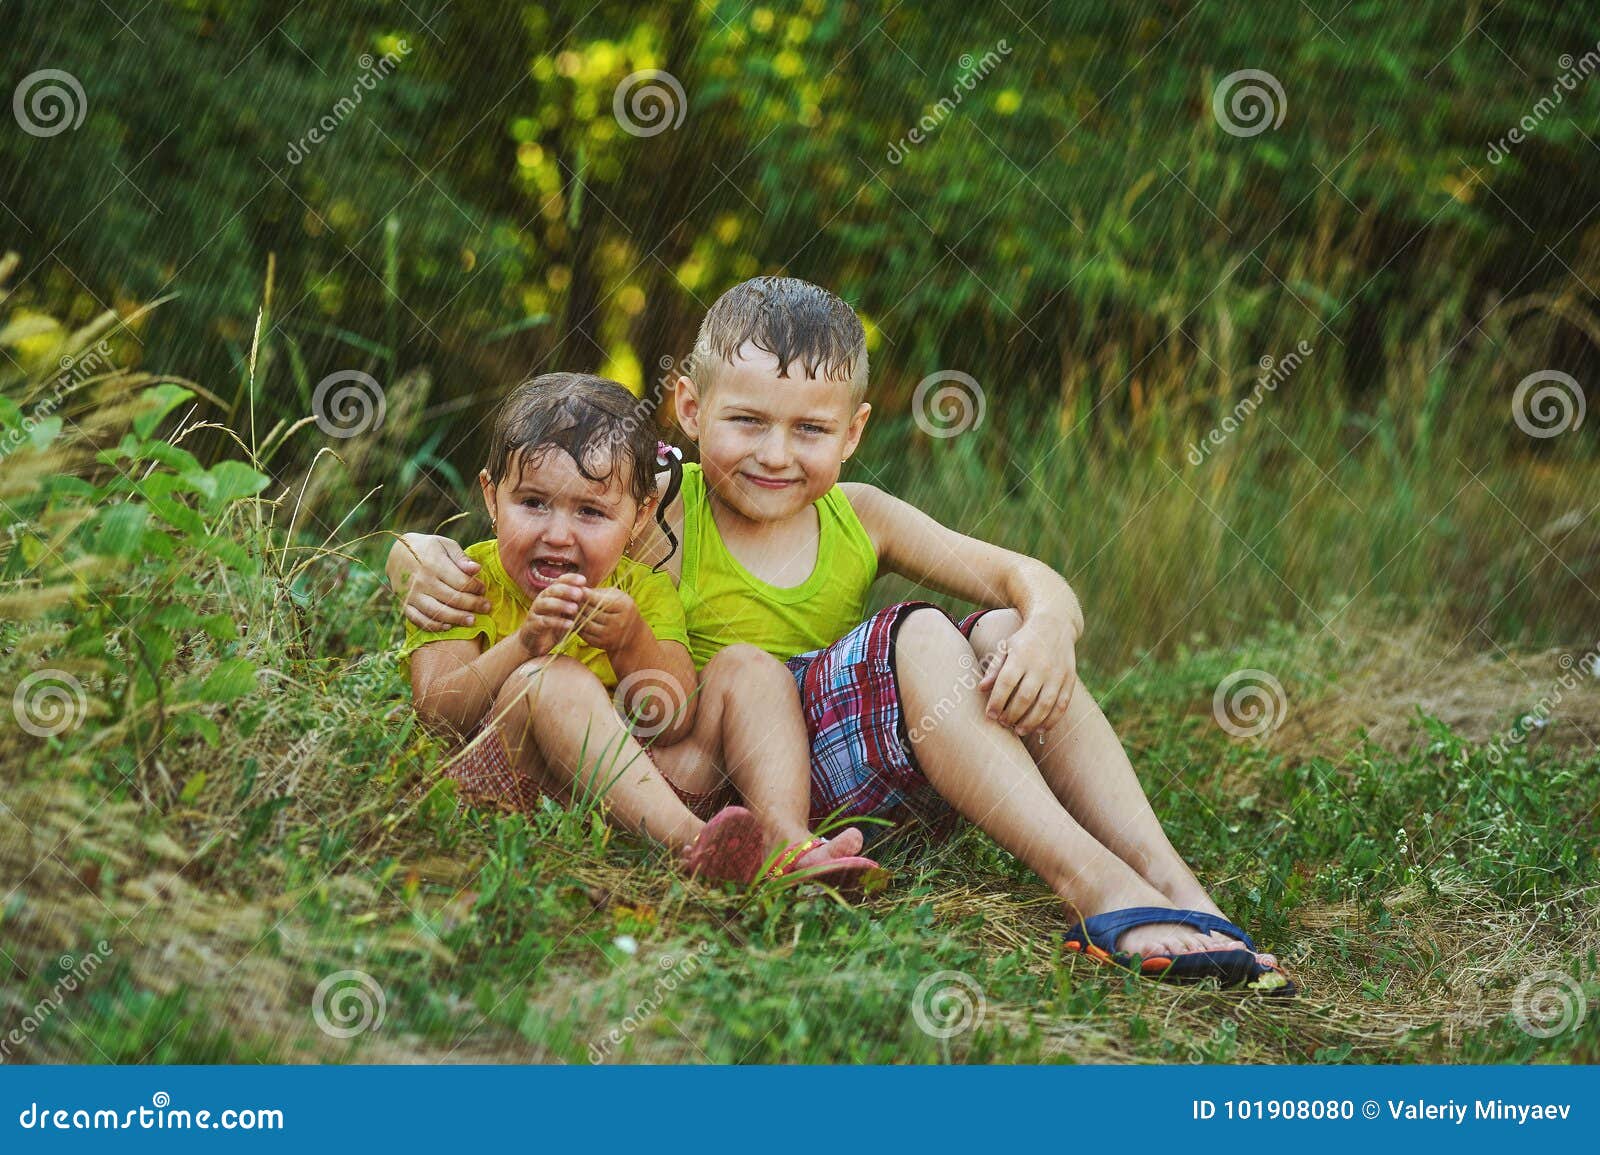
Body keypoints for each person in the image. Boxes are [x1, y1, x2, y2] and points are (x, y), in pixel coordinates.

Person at [392, 282, 1292, 992]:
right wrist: (411, 553)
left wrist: (1052, 625)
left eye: (810, 429)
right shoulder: (655, 498)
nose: (775, 454)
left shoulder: (860, 515)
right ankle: (1095, 887)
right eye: (745, 420)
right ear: (690, 410)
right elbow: (539, 506)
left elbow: (1028, 575)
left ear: (854, 431)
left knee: (1008, 623)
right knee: (923, 638)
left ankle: (1176, 885)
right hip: (707, 765)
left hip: (838, 775)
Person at [399, 370, 876, 888]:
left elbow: (672, 721)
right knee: (549, 679)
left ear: (641, 515)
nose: (558, 535)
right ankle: (697, 845)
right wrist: (524, 646)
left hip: (636, 794)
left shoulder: (643, 591)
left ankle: (784, 839)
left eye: (590, 511)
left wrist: (631, 644)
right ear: (492, 500)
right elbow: (440, 715)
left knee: (749, 666)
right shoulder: (463, 582)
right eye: (533, 503)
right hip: (516, 786)